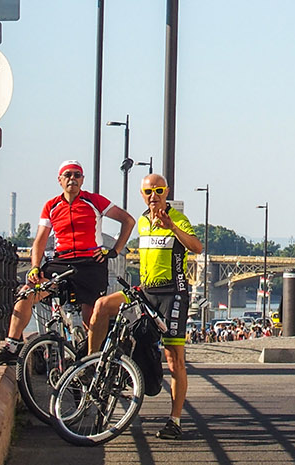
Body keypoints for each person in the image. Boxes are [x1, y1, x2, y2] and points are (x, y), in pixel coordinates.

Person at [0, 160, 134, 365]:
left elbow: (128, 220)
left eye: (77, 175)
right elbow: (40, 240)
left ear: (82, 179)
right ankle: (12, 346)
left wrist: (114, 251)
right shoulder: (52, 206)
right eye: (68, 175)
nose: (72, 179)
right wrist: (35, 267)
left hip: (90, 263)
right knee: (26, 294)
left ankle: (94, 360)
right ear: (60, 180)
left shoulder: (94, 201)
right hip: (61, 262)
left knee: (91, 316)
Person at [90, 174, 202, 440]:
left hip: (172, 294)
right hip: (145, 290)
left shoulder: (178, 219)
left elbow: (197, 247)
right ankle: (92, 365)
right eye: (149, 191)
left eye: (159, 191)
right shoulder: (142, 221)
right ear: (142, 194)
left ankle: (175, 420)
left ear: (166, 192)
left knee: (174, 358)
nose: (154, 196)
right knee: (102, 306)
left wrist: (172, 227)